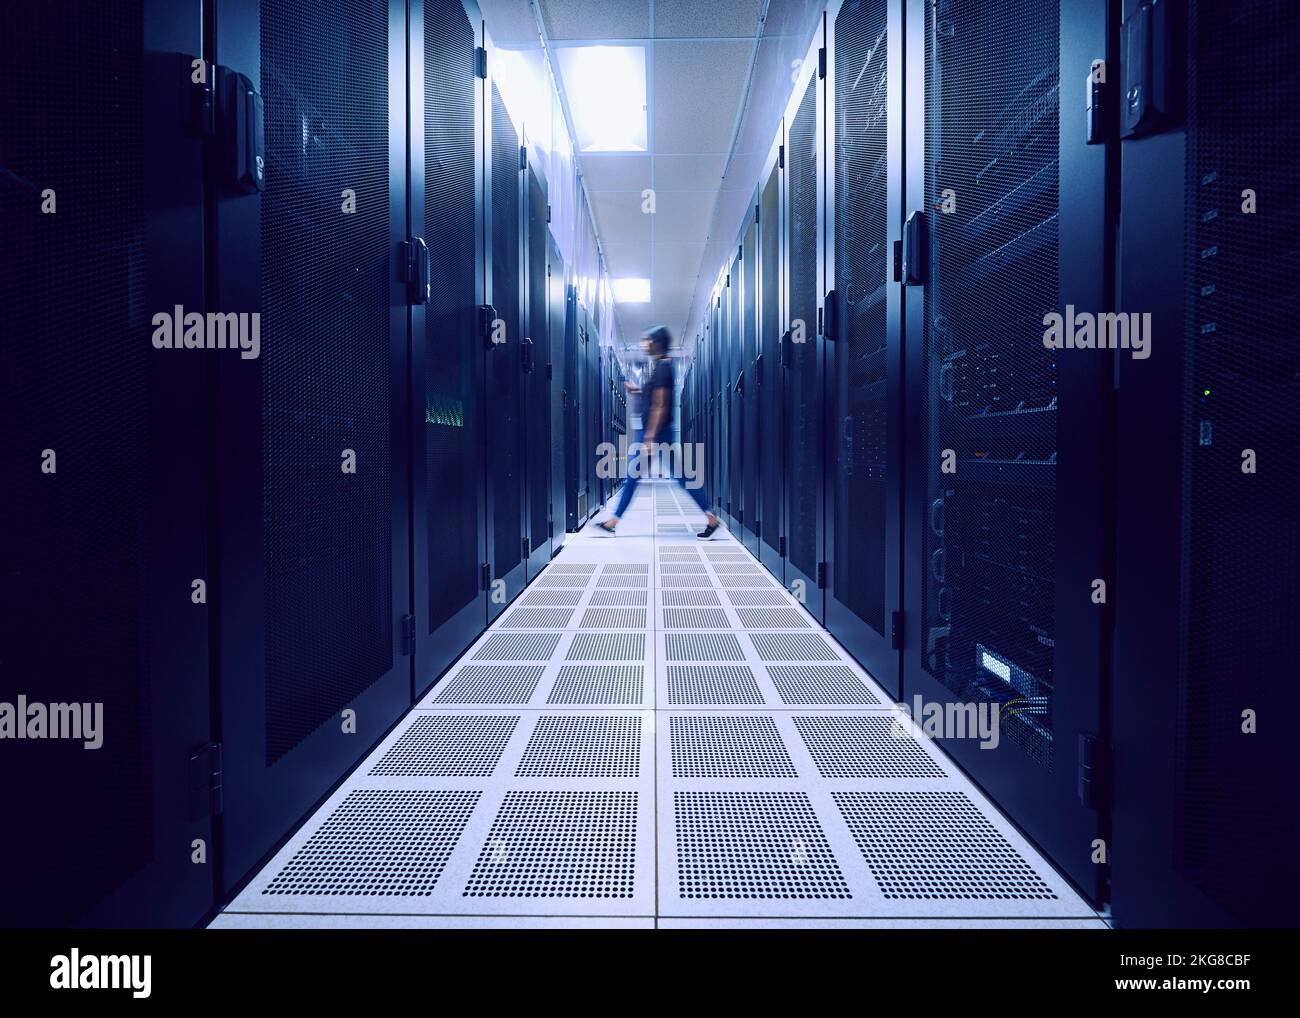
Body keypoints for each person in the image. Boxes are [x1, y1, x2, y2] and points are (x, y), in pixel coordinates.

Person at [597, 326, 720, 539]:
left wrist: (649, 437)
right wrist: (637, 390)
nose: (644, 344)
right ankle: (613, 521)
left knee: (638, 476)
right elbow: (655, 396)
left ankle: (613, 521)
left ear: (657, 343)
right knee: (675, 477)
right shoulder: (661, 367)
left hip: (657, 434)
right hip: (657, 433)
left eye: (647, 340)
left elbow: (660, 405)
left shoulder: (663, 367)